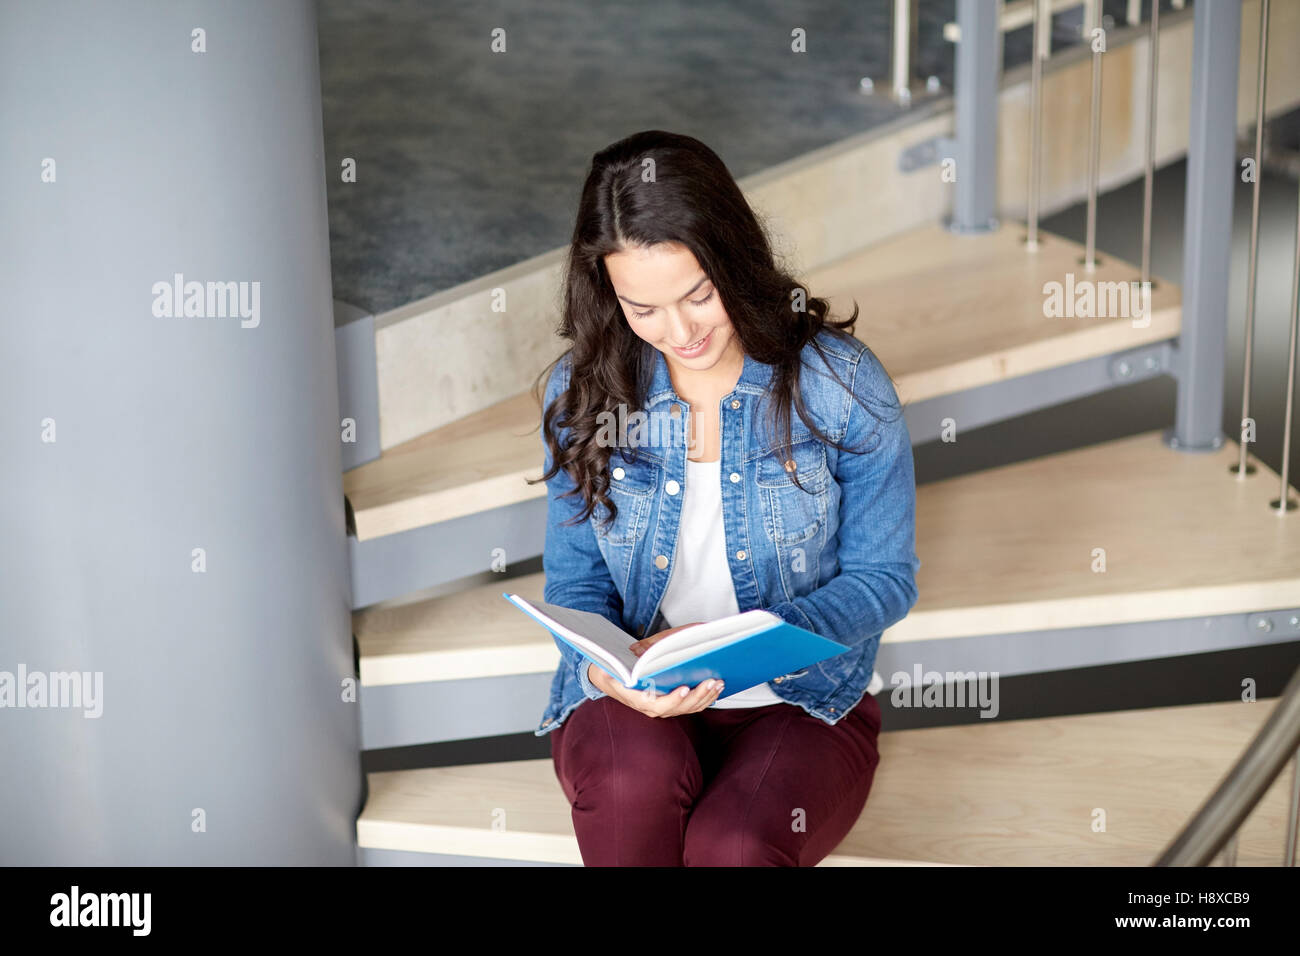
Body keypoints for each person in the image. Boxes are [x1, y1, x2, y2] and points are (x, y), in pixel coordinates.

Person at [527, 130, 920, 866]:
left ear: (733, 260)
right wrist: (608, 672)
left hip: (801, 703)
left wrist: (757, 640)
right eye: (642, 308)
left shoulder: (841, 387)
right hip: (633, 706)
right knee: (628, 783)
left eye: (699, 295)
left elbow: (884, 580)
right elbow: (575, 583)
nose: (679, 333)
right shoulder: (581, 395)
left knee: (732, 846)